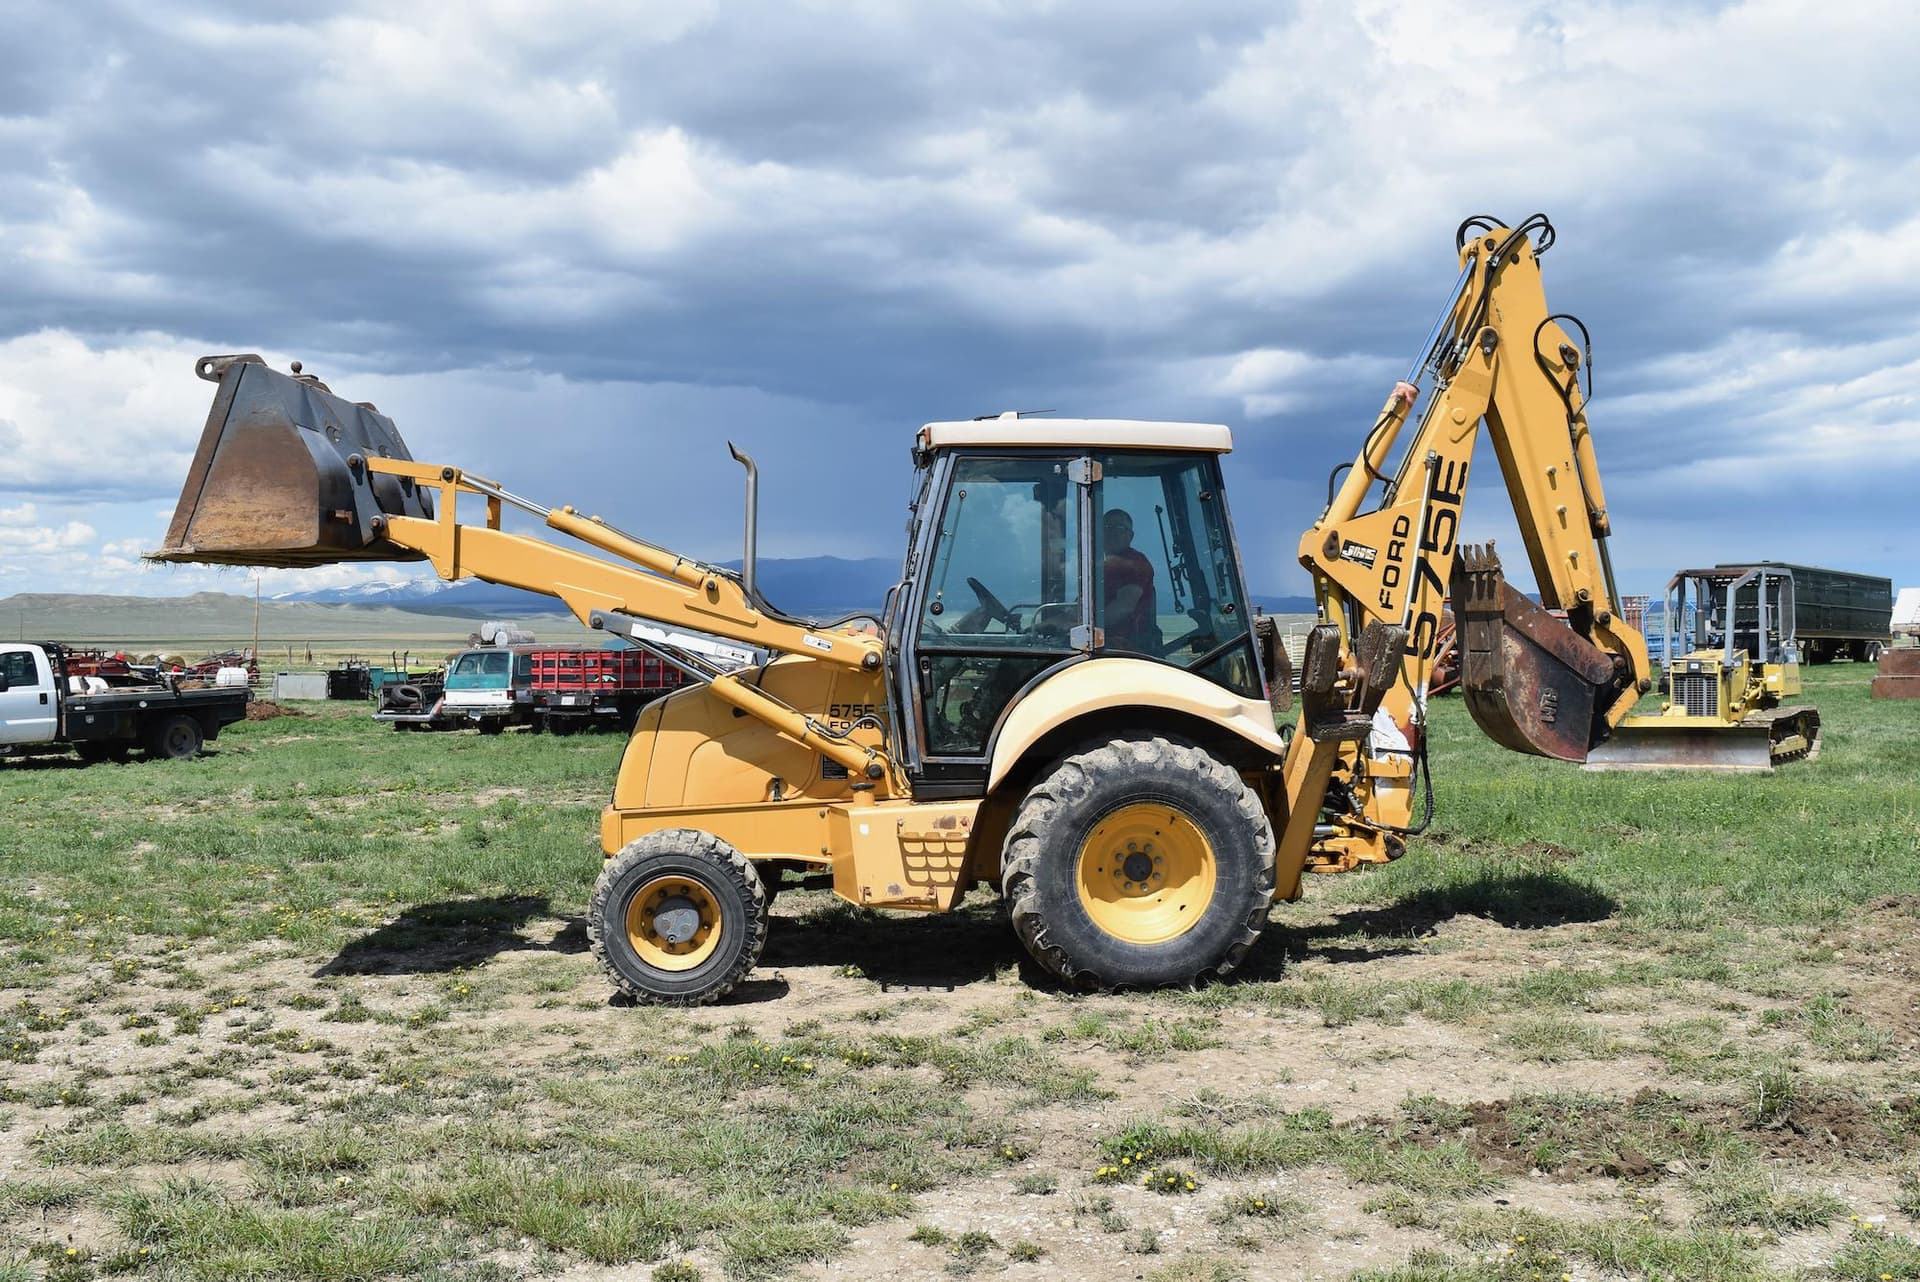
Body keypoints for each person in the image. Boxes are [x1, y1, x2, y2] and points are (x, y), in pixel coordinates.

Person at [1102, 508, 1158, 654]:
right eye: (1107, 528)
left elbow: (1123, 607)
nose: (1111, 533)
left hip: (1123, 648)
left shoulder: (1134, 564)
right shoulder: (1101, 566)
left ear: (1130, 536)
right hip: (1102, 642)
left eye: (1119, 528)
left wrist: (1082, 626)